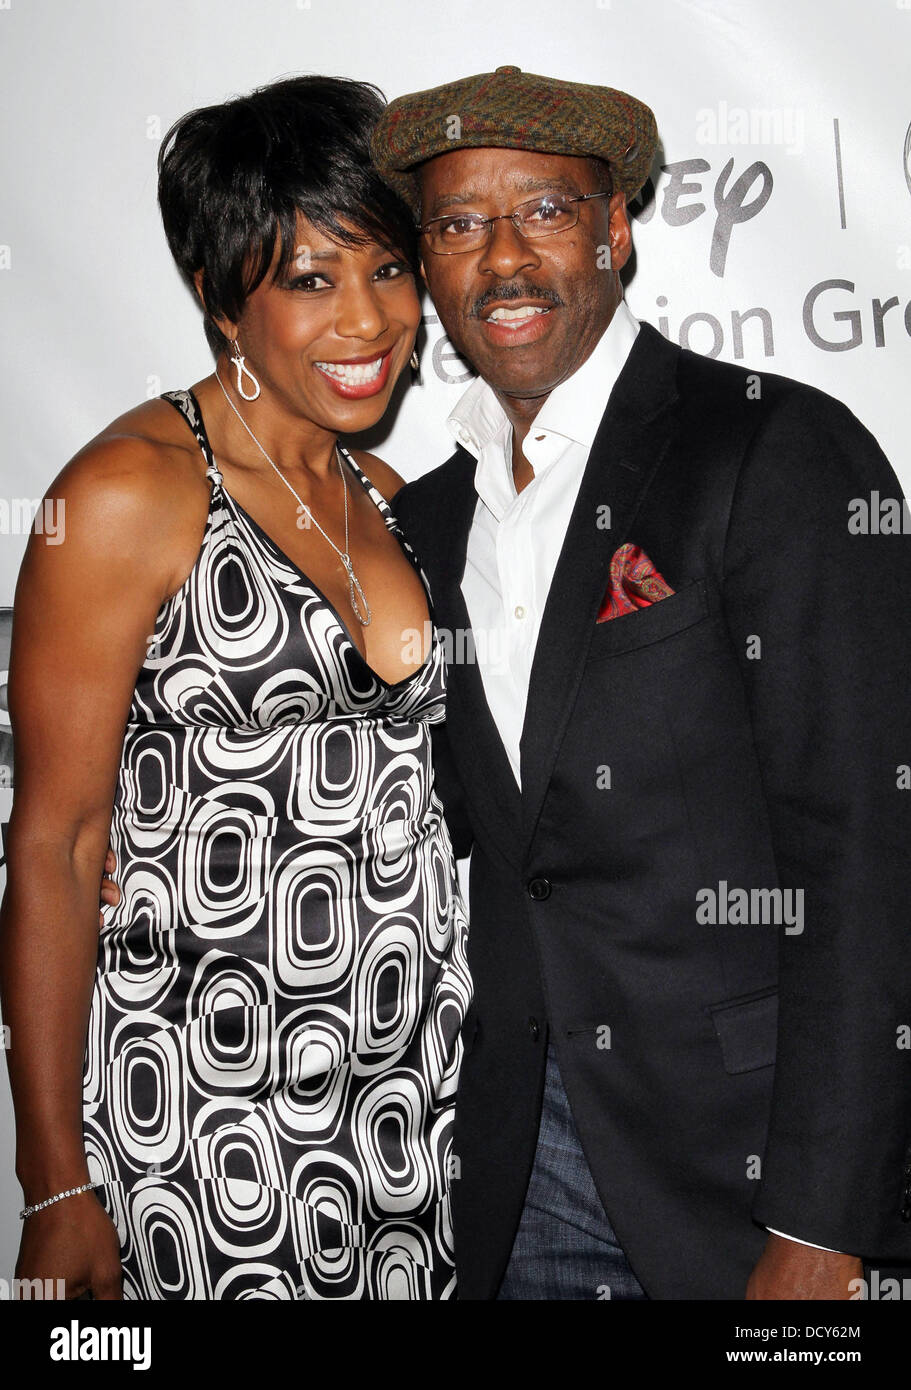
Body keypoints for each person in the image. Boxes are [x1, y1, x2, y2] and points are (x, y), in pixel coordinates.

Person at [366, 65, 911, 1299]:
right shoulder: (430, 521)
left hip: (750, 1166)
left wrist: (822, 1220)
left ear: (613, 228)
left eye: (543, 211)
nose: (502, 257)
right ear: (427, 265)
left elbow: (870, 843)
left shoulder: (770, 446)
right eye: (458, 224)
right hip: (517, 1162)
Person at [0, 74, 470, 1301]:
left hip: (413, 1101)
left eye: (388, 268)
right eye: (310, 280)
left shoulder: (390, 499)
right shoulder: (129, 493)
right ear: (218, 296)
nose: (367, 320)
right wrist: (53, 1184)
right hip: (211, 1117)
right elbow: (55, 845)